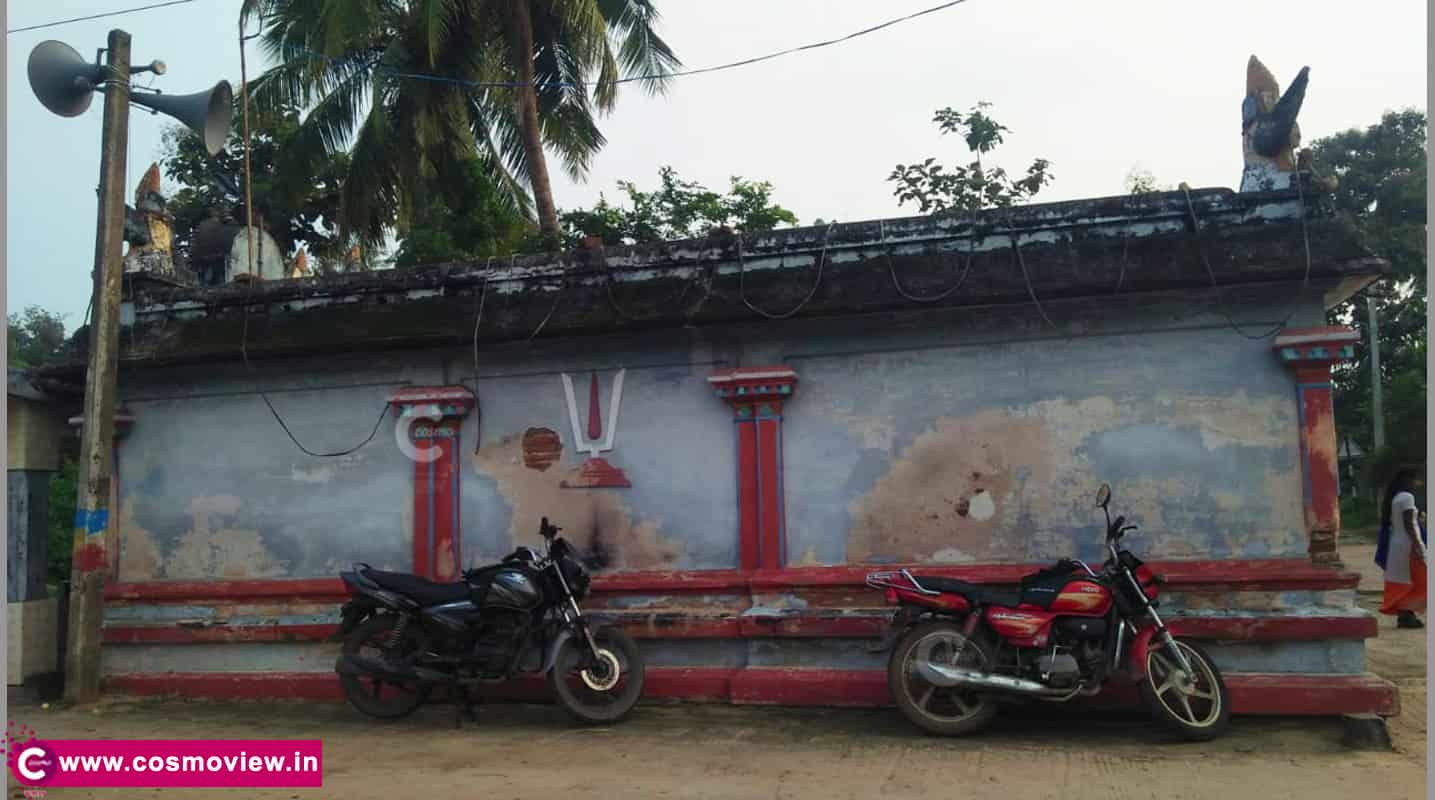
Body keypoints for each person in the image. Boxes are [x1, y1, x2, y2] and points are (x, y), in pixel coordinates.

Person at [1375, 468, 1427, 629]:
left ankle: (1405, 615)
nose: (1416, 484)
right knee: (1420, 578)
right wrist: (1419, 545)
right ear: (1408, 480)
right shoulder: (1407, 497)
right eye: (1414, 480)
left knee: (1404, 579)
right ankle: (1407, 612)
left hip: (1396, 544)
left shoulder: (1395, 498)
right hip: (1408, 544)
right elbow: (1410, 524)